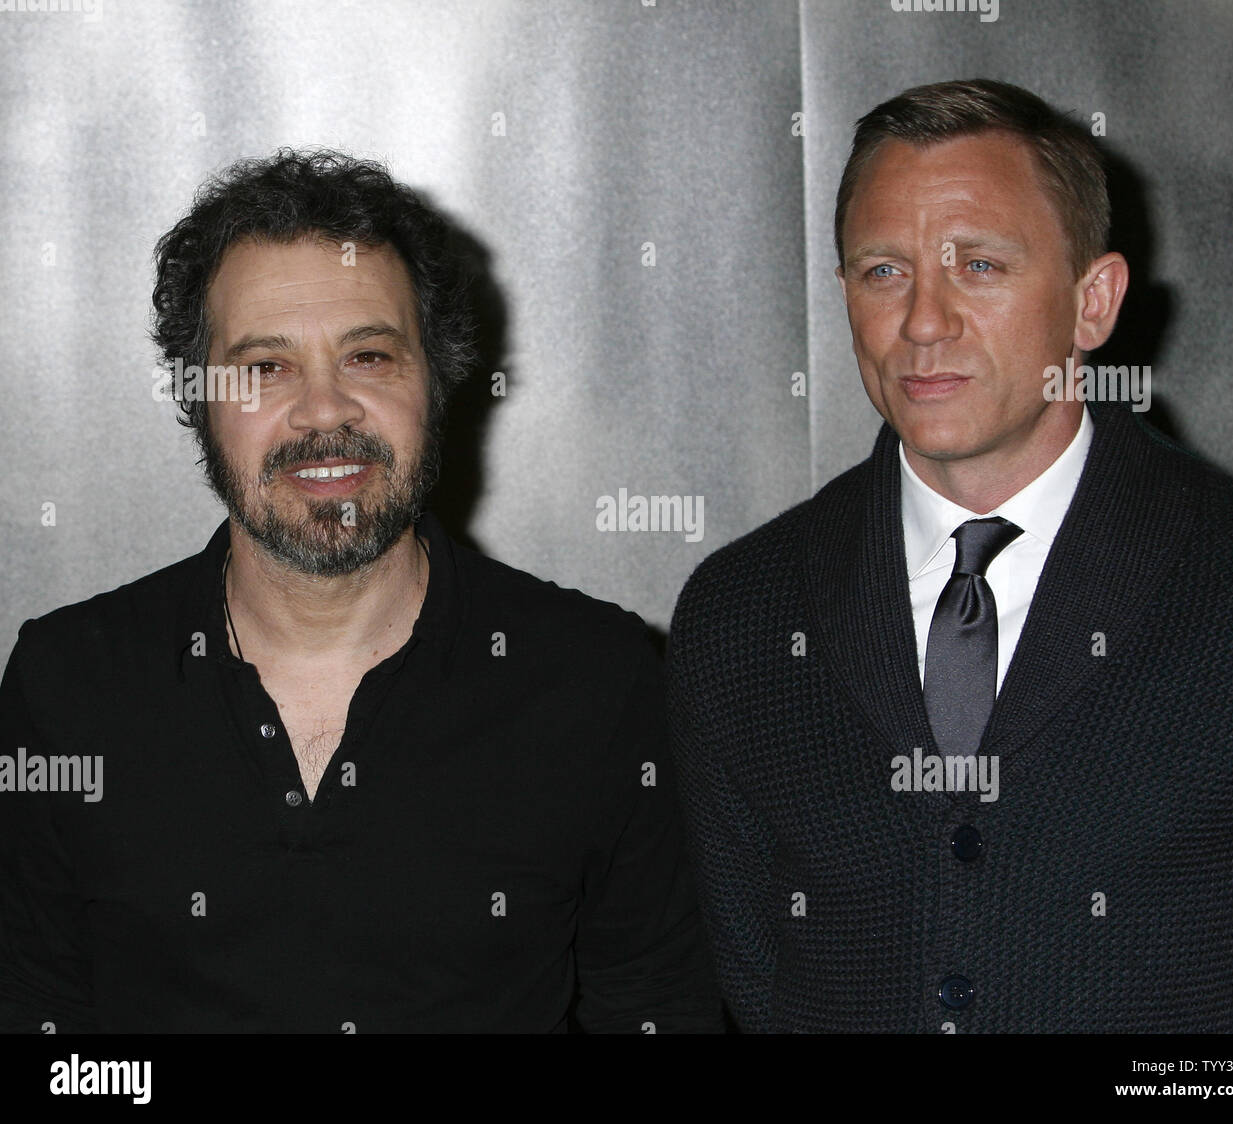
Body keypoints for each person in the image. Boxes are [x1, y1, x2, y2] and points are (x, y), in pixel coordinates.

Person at [0, 149, 719, 1033]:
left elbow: (655, 1012)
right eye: (265, 368)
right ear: (199, 398)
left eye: (370, 356)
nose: (324, 411)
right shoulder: (67, 683)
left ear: (437, 378)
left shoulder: (596, 680)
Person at [668, 79, 1233, 1032]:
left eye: (980, 266)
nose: (924, 320)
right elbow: (756, 981)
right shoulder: (743, 612)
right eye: (884, 270)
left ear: (1094, 302)